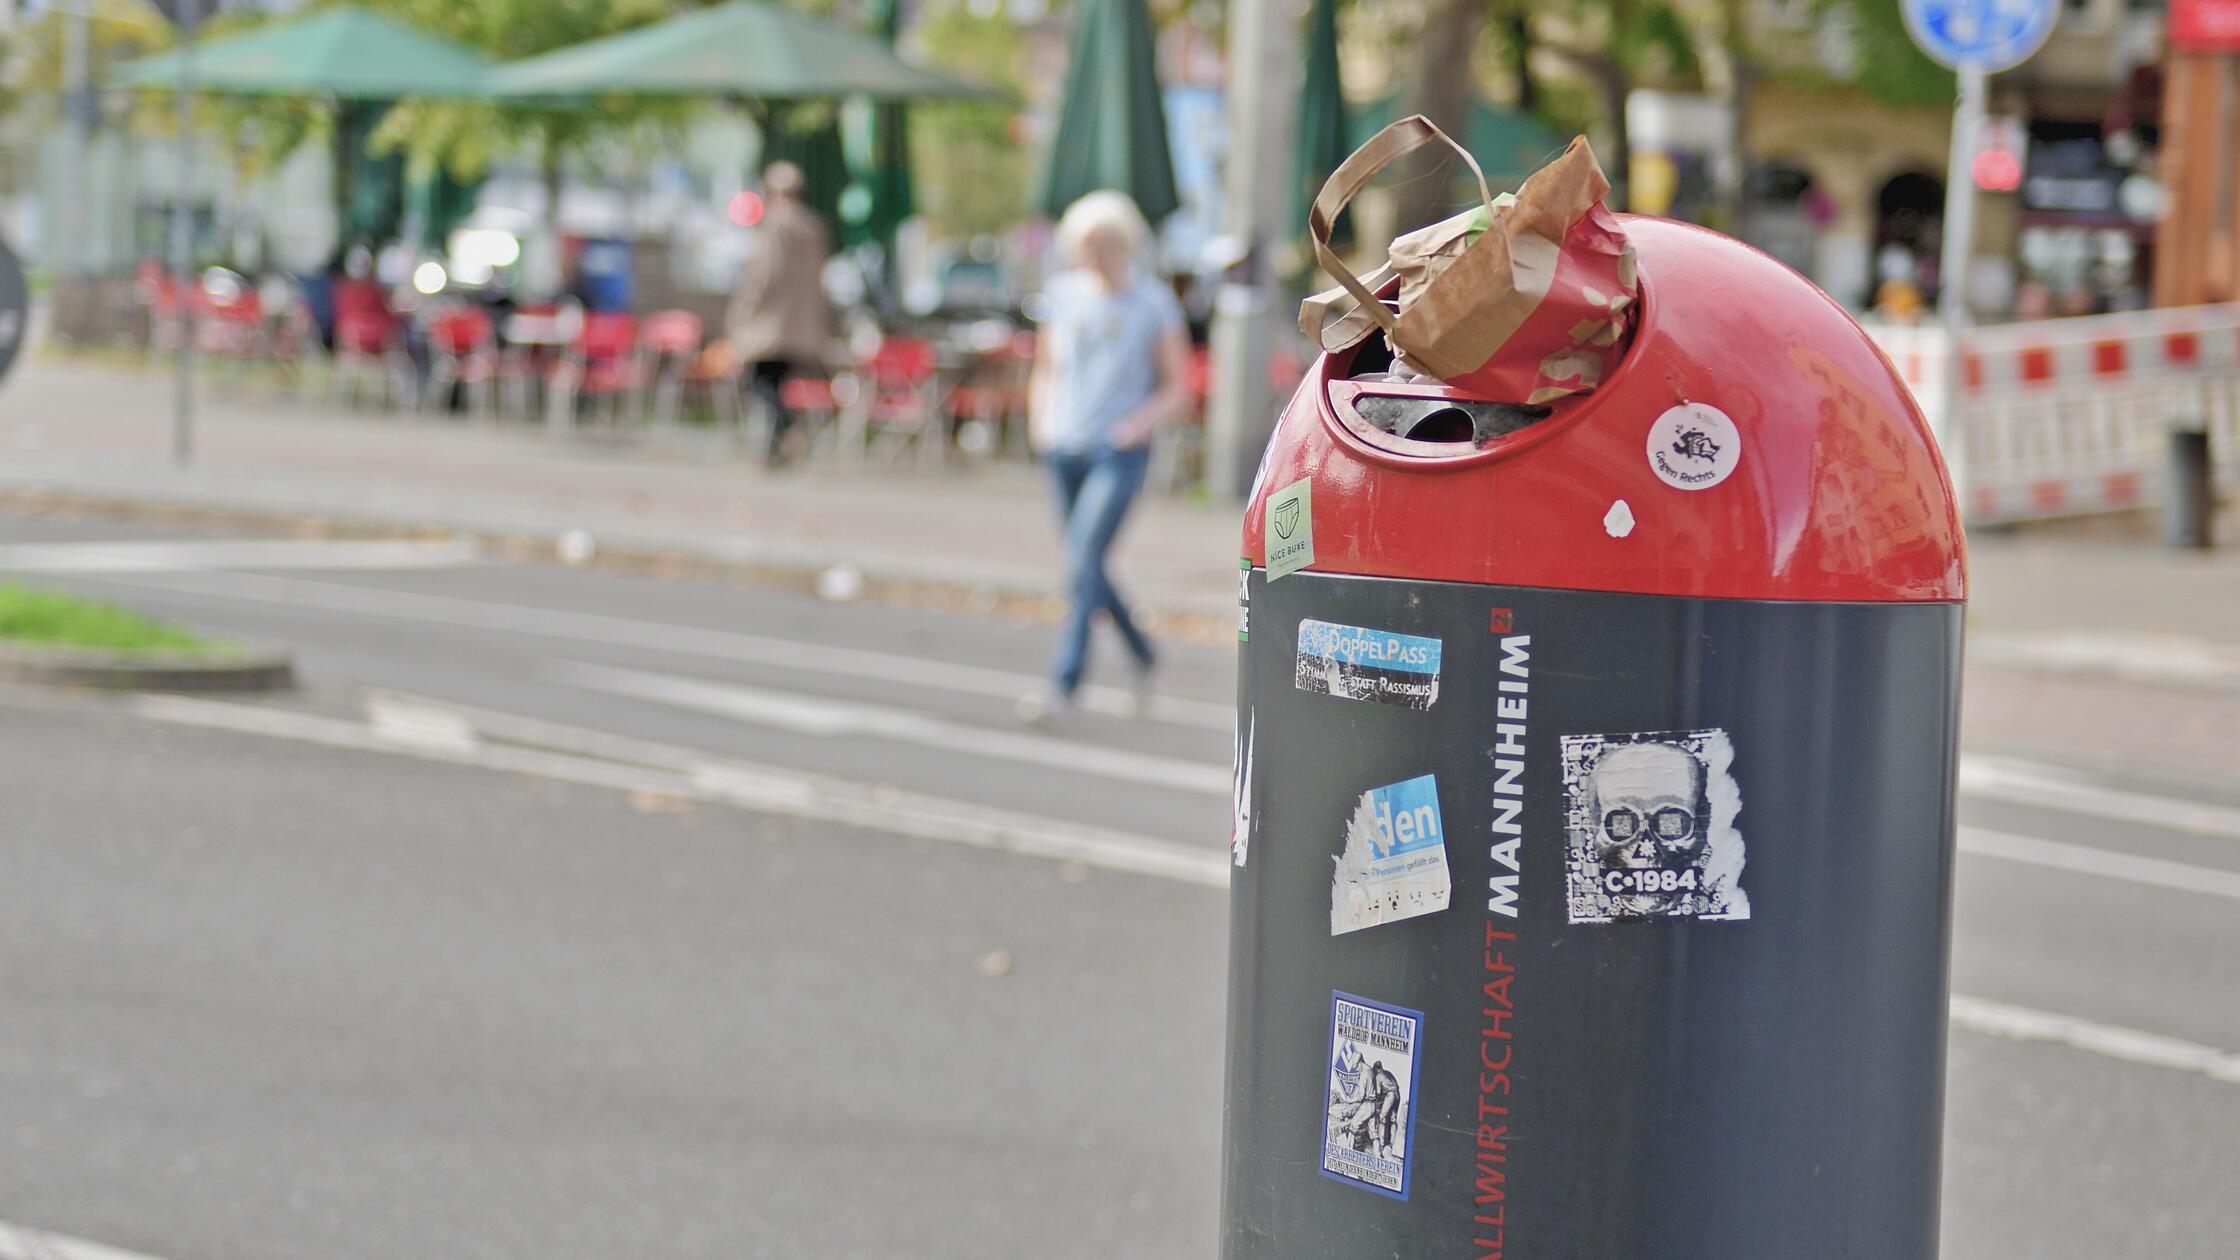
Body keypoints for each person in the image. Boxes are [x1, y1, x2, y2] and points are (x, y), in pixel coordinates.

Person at [1017, 192, 1192, 726]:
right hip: (1064, 445)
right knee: (1086, 563)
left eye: (1106, 243)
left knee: (1082, 564)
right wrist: (1040, 422)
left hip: (1116, 451)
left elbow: (1177, 385)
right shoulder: (1064, 295)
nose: (1096, 254)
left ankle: (1063, 685)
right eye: (1087, 245)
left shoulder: (1152, 301)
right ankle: (1142, 653)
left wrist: (1136, 425)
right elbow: (1046, 367)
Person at [726, 162, 831, 467]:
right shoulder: (812, 226)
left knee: (758, 381)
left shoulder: (775, 225)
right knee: (777, 383)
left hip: (769, 322)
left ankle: (787, 427)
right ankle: (777, 444)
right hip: (800, 323)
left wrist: (743, 310)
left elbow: (763, 274)